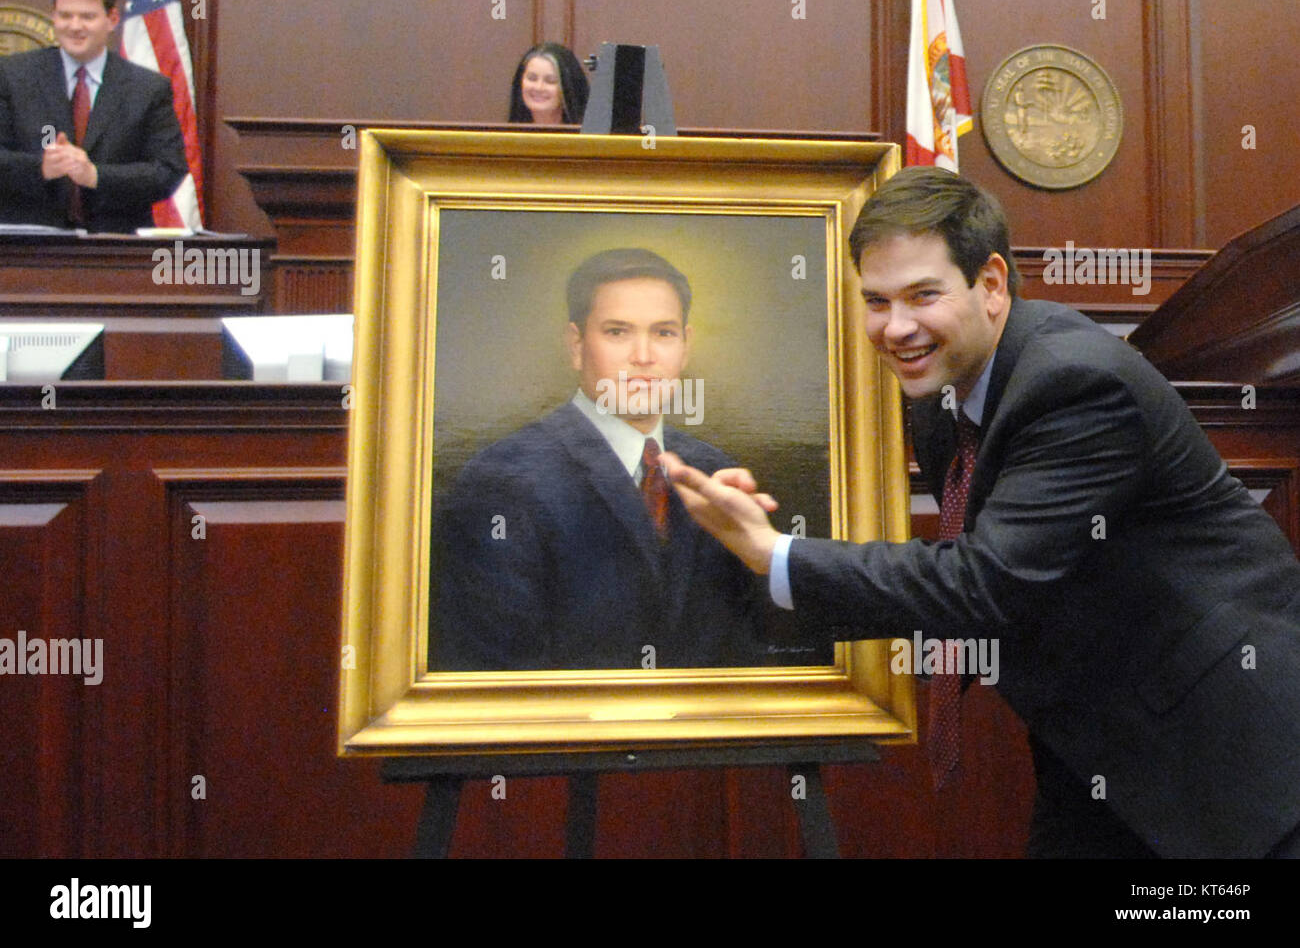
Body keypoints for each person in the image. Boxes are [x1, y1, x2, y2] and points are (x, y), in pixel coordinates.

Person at [663, 166, 1300, 859]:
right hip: (1098, 743)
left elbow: (985, 582)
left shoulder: (1075, 381)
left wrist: (776, 555)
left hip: (1233, 757)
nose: (895, 327)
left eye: (922, 295)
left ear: (992, 284)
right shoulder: (940, 393)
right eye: (876, 301)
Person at [434, 247, 772, 671]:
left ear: (686, 346)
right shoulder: (503, 479)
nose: (644, 356)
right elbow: (497, 673)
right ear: (576, 345)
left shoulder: (713, 468)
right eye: (618, 332)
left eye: (664, 333)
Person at [0, 0, 188, 232]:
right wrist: (40, 168)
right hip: (29, 249)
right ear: (53, 16)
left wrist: (96, 175)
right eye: (65, 15)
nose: (75, 26)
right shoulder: (11, 76)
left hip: (114, 249)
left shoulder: (148, 89)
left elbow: (168, 171)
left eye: (87, 17)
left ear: (111, 19)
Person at [507, 42, 589, 125]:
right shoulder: (505, 136)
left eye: (550, 81)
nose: (539, 87)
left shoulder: (588, 136)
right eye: (532, 78)